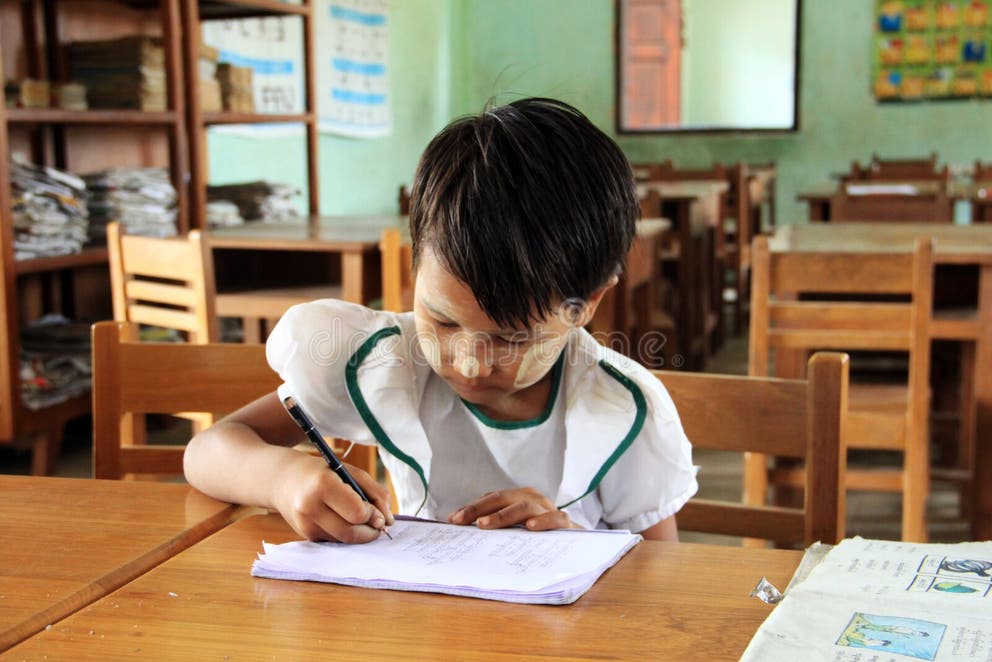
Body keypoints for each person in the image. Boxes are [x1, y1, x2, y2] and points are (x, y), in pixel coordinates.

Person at [184, 97, 697, 544]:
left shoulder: (625, 412)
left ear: (587, 304)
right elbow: (208, 451)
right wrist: (283, 478)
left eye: (512, 338)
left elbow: (663, 573)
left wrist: (575, 546)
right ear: (415, 267)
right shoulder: (383, 362)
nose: (470, 364)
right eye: (443, 322)